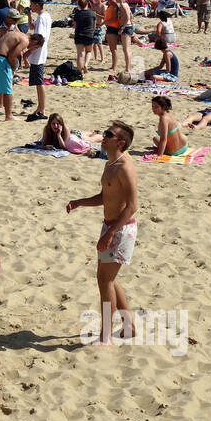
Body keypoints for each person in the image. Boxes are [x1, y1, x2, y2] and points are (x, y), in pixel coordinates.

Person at [66, 119, 138, 345]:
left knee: (104, 280)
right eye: (105, 133)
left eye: (109, 134)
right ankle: (130, 326)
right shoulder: (110, 163)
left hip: (121, 229)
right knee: (109, 278)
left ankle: (105, 336)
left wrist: (110, 234)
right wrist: (80, 202)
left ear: (121, 142)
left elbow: (132, 205)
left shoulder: (124, 167)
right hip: (110, 226)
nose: (104, 137)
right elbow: (105, 197)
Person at [0, 9, 28, 121]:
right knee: (7, 87)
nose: (16, 21)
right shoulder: (4, 29)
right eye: (14, 19)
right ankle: (8, 115)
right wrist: (13, 66)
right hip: (2, 57)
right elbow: (11, 52)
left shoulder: (14, 29)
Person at [24, 0, 53, 121]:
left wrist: (28, 52)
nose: (30, 6)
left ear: (36, 4)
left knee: (39, 82)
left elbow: (40, 39)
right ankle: (41, 108)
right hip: (40, 53)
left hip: (38, 54)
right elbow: (32, 27)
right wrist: (29, 15)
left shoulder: (42, 18)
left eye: (32, 4)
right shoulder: (45, 16)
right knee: (38, 82)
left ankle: (42, 109)